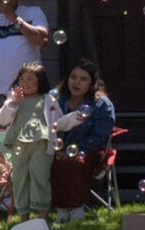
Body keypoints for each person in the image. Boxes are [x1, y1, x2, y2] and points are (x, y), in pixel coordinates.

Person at [47, 61, 115, 218]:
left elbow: (100, 136)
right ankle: (61, 210)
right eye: (73, 77)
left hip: (89, 150)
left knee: (75, 162)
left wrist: (77, 149)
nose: (76, 82)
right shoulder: (55, 98)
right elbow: (46, 126)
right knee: (48, 161)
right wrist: (57, 149)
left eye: (83, 79)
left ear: (92, 83)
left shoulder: (102, 104)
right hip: (56, 149)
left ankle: (76, 209)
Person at [0, 64, 54, 219]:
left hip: (41, 145)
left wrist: (74, 119)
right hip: (19, 144)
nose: (25, 83)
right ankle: (23, 218)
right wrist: (12, 102)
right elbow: (2, 119)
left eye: (30, 79)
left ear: (40, 81)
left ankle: (42, 217)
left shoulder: (48, 99)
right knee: (19, 178)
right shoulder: (15, 101)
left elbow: (58, 121)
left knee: (40, 177)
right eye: (21, 79)